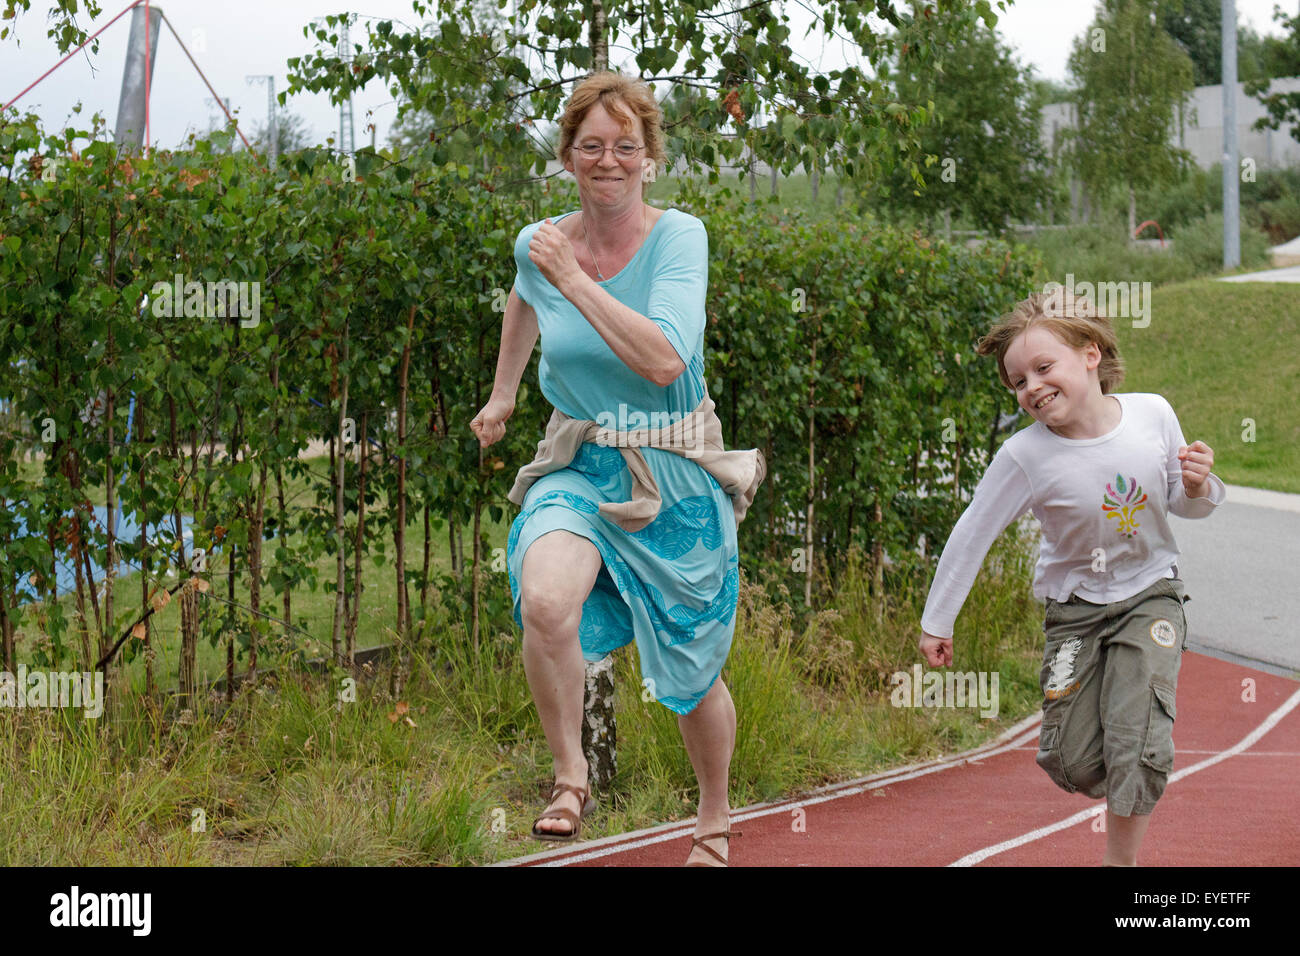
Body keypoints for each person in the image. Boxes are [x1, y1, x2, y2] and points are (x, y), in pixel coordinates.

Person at [470, 71, 763, 867]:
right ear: (568, 157)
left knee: (693, 668)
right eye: (591, 146)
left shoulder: (680, 238)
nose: (609, 160)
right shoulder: (542, 244)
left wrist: (575, 277)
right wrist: (502, 397)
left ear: (649, 159)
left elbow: (665, 358)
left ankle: (712, 814)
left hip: (672, 467)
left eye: (625, 146)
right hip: (581, 457)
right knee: (547, 600)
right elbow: (524, 298)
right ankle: (571, 775)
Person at [918, 290, 1225, 866]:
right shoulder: (1024, 456)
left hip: (1151, 596)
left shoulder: (1152, 414)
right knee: (1074, 760)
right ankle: (1127, 765)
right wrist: (938, 621)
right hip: (1075, 611)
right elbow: (971, 535)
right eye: (1016, 381)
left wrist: (1199, 484)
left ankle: (1120, 859)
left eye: (1042, 367)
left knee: (1137, 742)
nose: (1030, 386)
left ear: (1091, 354)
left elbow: (1185, 504)